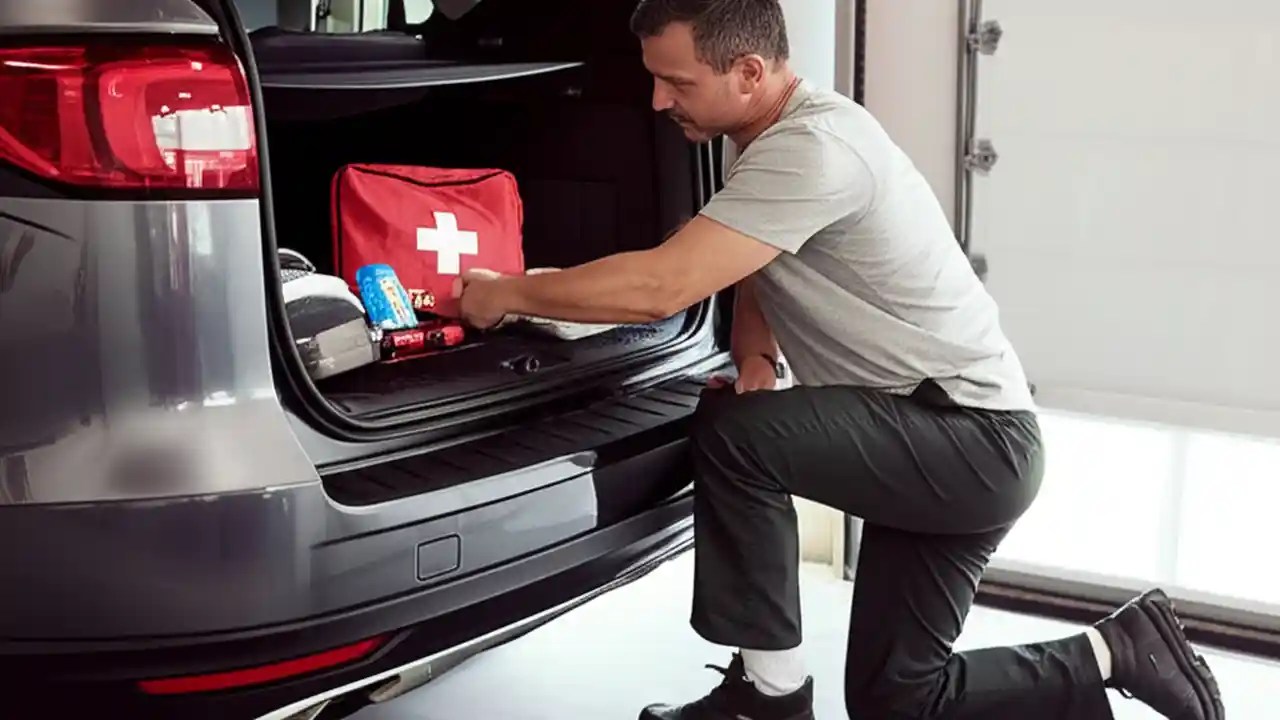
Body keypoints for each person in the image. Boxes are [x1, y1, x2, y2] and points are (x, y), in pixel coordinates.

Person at [454, 1, 1226, 718]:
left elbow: (665, 285)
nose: (658, 101)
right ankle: (1118, 648)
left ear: (750, 72)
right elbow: (759, 257)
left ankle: (769, 698)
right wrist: (756, 355)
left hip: (966, 438)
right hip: (950, 437)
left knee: (735, 436)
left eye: (674, 80)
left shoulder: (812, 148)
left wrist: (509, 294)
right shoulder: (770, 140)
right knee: (900, 699)